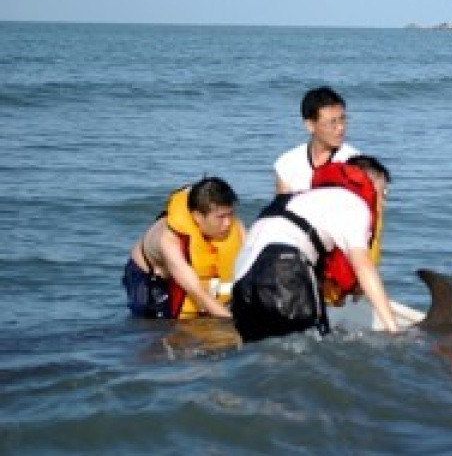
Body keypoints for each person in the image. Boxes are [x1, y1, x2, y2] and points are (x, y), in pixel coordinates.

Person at [231, 155, 401, 342]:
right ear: (369, 184)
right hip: (282, 268)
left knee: (260, 357)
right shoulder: (354, 204)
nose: (383, 202)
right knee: (312, 351)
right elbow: (363, 266)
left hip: (241, 279)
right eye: (384, 192)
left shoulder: (305, 200)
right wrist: (393, 330)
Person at [123, 176, 244, 319]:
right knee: (157, 326)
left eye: (231, 214)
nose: (228, 223)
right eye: (221, 217)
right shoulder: (169, 242)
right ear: (198, 217)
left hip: (186, 269)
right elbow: (199, 294)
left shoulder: (235, 228)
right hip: (150, 275)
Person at [274, 86, 360, 194]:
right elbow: (280, 209)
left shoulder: (354, 162)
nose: (340, 127)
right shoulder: (287, 164)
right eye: (332, 122)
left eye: (342, 119)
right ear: (310, 125)